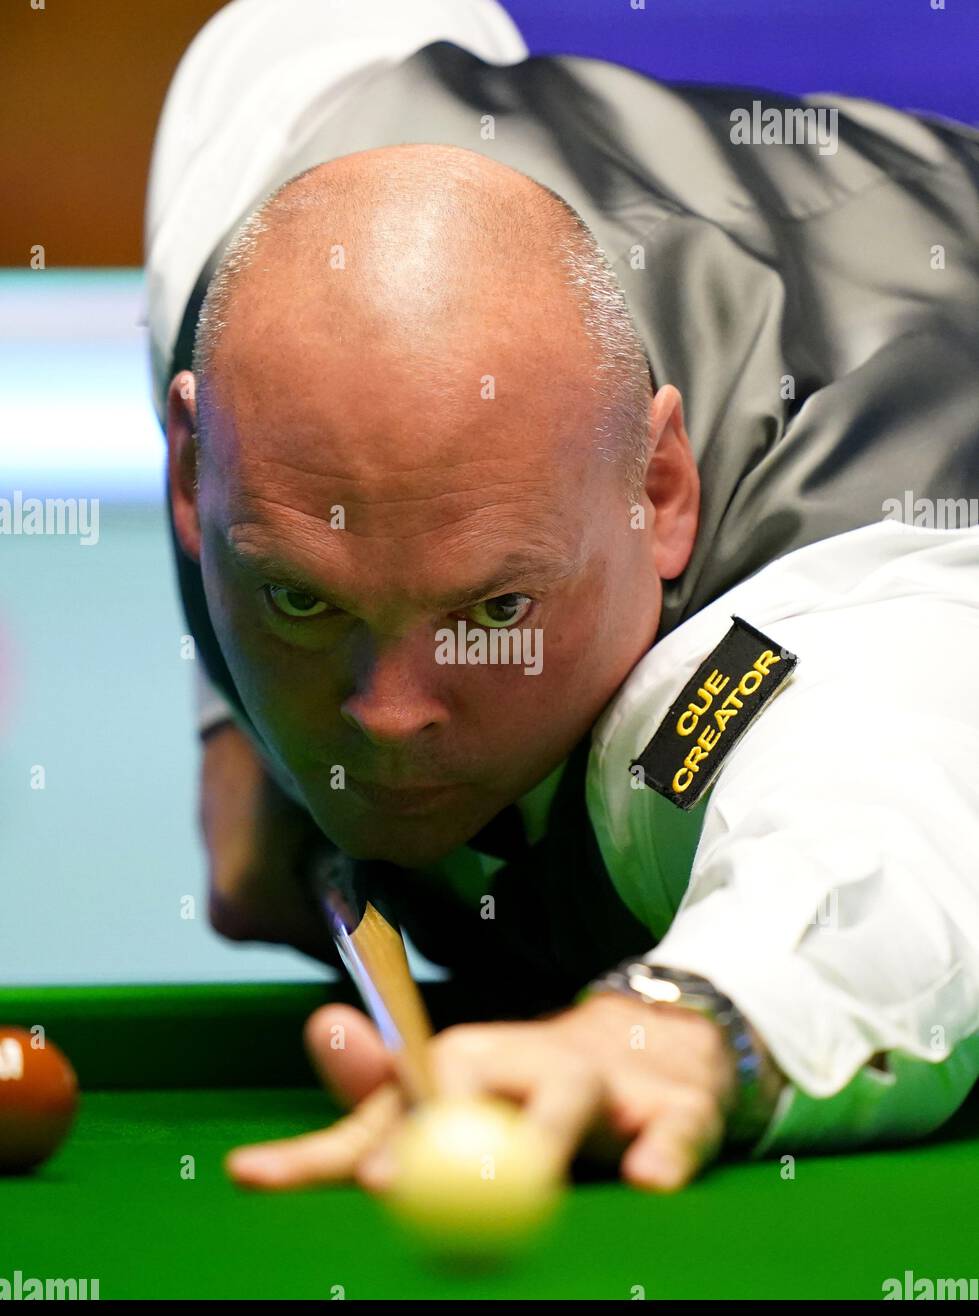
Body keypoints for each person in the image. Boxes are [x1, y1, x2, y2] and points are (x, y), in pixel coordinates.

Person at [146, 0, 979, 1193]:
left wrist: (685, 1029)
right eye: (299, 598)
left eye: (492, 614)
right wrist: (228, 720)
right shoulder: (276, 154)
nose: (388, 718)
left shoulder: (819, 634)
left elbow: (897, 842)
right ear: (190, 467)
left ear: (661, 490)